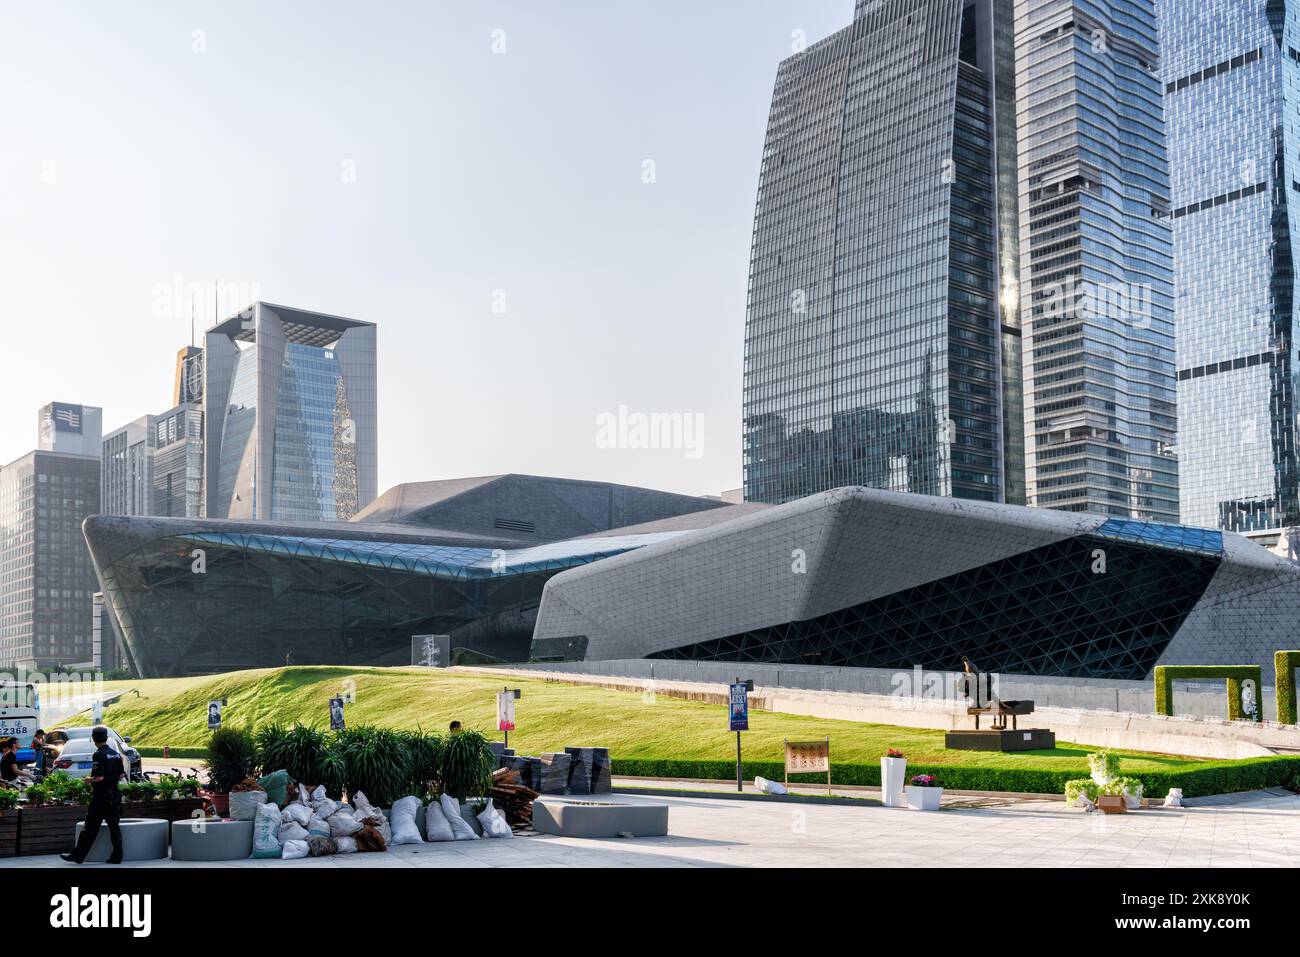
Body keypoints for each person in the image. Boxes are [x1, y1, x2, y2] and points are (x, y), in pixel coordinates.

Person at [61, 727, 125, 865]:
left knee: (89, 828)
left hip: (101, 797)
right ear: (106, 738)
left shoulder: (98, 755)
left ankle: (78, 856)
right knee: (114, 827)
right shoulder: (115, 754)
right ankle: (117, 857)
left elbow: (99, 777)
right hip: (115, 795)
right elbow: (121, 775)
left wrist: (88, 780)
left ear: (93, 739)